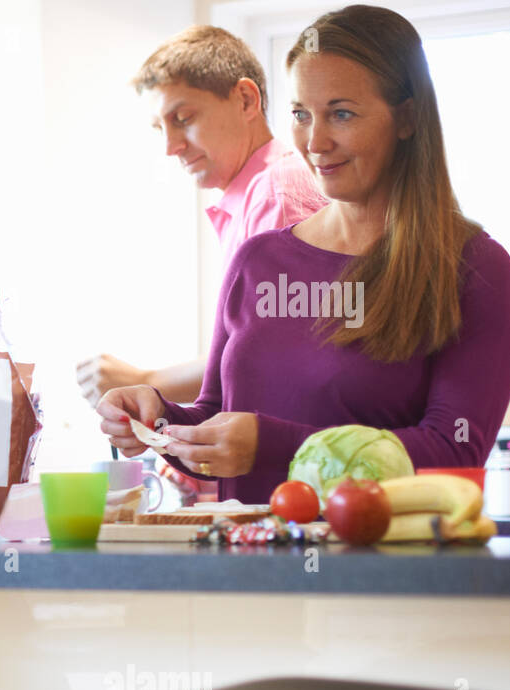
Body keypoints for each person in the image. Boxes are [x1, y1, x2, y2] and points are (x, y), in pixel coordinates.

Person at [96, 5, 510, 504]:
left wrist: (273, 446)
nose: (314, 142)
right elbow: (216, 415)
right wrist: (159, 419)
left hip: (376, 555)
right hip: (248, 551)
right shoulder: (257, 261)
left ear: (406, 118)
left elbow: (453, 451)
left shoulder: (476, 270)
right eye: (300, 114)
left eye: (341, 113)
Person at [77, 25, 326, 407]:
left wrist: (147, 382)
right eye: (160, 127)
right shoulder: (251, 196)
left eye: (182, 118)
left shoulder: (276, 194)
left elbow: (273, 357)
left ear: (246, 100)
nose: (170, 146)